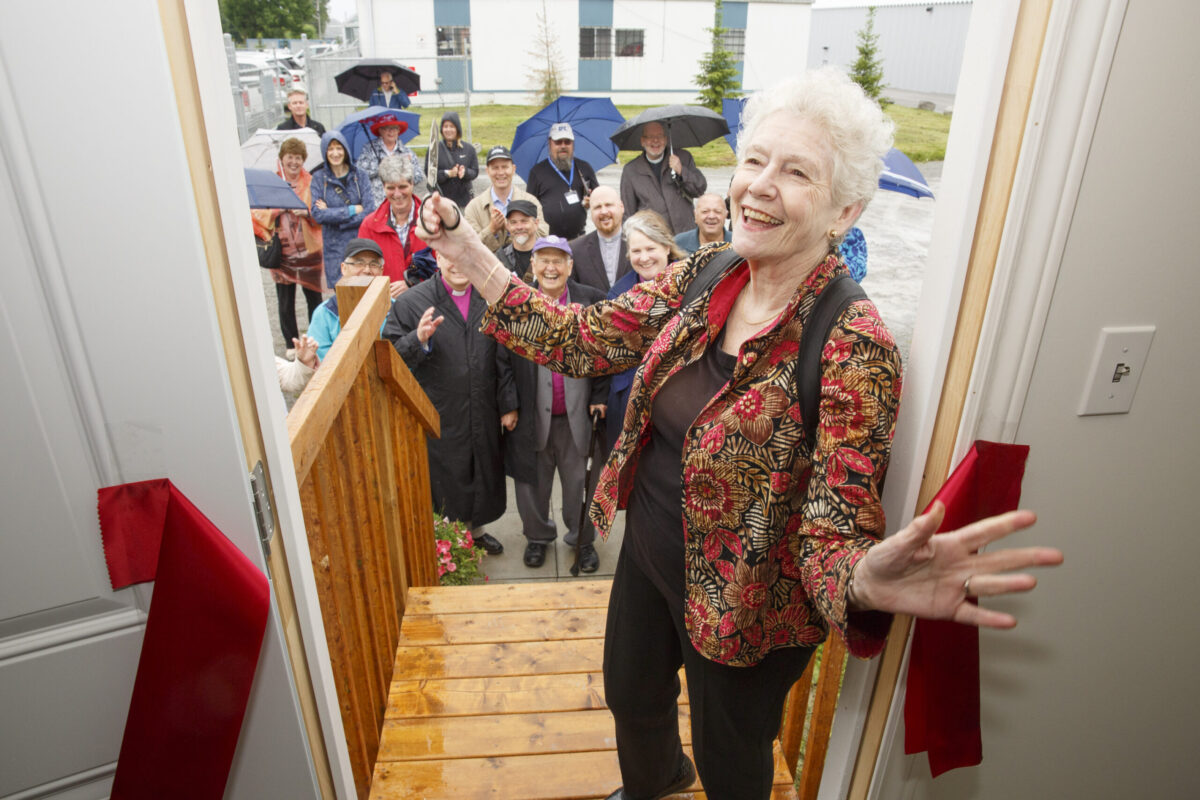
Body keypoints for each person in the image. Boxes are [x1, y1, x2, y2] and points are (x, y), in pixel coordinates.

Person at [411, 67, 1063, 800]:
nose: (758, 185)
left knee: (732, 761)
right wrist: (473, 255)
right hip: (651, 553)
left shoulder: (853, 342)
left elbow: (833, 522)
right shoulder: (708, 275)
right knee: (631, 699)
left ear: (845, 209)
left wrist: (862, 581)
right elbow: (584, 338)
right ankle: (655, 782)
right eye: (754, 160)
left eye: (795, 172)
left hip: (749, 607)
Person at [382, 250, 516, 557]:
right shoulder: (411, 302)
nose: (456, 264)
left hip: (484, 405)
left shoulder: (490, 296)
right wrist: (418, 340)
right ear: (438, 259)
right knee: (449, 476)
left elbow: (504, 354)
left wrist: (508, 403)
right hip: (440, 408)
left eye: (463, 256)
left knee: (481, 469)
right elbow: (390, 356)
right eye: (448, 257)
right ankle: (450, 541)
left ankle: (477, 532)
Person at [502, 236, 608, 573]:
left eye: (558, 260)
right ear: (532, 264)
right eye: (543, 260)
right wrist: (508, 404)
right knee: (531, 484)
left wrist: (600, 397)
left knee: (582, 485)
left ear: (570, 266)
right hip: (530, 416)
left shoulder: (592, 301)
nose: (551, 268)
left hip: (578, 416)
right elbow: (501, 360)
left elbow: (607, 356)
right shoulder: (516, 304)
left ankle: (582, 540)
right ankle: (537, 537)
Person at [603, 211, 685, 451]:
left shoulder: (691, 282)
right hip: (630, 396)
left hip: (678, 395)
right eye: (636, 251)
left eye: (651, 248)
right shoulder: (619, 295)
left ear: (667, 248)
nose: (644, 258)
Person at [252, 137, 323, 351]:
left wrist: (308, 213)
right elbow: (256, 214)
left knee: (315, 298)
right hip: (282, 253)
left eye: (298, 158)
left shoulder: (312, 182)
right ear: (281, 159)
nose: (294, 162)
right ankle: (291, 344)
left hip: (309, 251)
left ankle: (316, 340)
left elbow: (322, 212)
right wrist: (277, 209)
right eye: (290, 157)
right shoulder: (270, 183)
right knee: (285, 301)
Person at [310, 131, 375, 289]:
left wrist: (334, 217)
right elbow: (318, 214)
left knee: (365, 290)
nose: (335, 153)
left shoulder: (360, 176)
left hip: (359, 241)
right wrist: (352, 209)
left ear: (345, 150)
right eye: (330, 149)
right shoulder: (319, 179)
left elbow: (369, 210)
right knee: (342, 295)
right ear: (325, 152)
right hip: (334, 247)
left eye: (339, 148)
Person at [619, 121, 707, 236]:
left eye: (659, 136)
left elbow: (699, 189)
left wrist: (681, 171)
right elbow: (628, 214)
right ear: (642, 141)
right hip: (653, 238)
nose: (655, 141)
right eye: (650, 137)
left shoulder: (683, 157)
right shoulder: (631, 170)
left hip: (686, 234)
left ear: (666, 139)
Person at [357, 155, 426, 300]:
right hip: (386, 307)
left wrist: (412, 283)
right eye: (390, 188)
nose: (397, 194)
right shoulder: (369, 226)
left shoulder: (431, 222)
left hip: (424, 304)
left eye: (402, 187)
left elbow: (444, 270)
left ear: (412, 184)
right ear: (383, 187)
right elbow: (363, 272)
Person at [308, 238, 387, 361]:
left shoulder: (395, 308)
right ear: (343, 268)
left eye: (374, 264)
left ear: (381, 271)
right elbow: (321, 360)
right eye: (359, 263)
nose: (367, 270)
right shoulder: (325, 313)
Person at [464, 145, 548, 253]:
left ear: (513, 169)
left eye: (505, 167)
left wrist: (513, 228)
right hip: (488, 269)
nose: (500, 173)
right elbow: (470, 247)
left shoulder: (531, 202)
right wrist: (491, 230)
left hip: (525, 269)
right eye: (495, 168)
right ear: (488, 171)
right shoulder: (473, 207)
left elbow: (543, 237)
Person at [525, 122, 599, 240]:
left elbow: (600, 199)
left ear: (573, 144)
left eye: (567, 142)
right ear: (550, 143)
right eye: (558, 142)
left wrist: (592, 201)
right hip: (547, 240)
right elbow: (528, 208)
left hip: (578, 240)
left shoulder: (584, 168)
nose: (563, 146)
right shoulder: (537, 172)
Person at [568, 185, 631, 294]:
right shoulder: (575, 250)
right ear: (591, 213)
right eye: (597, 207)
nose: (604, 211)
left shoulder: (639, 245)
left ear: (621, 207)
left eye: (609, 205)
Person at [356, 112, 424, 208]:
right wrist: (383, 165)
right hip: (376, 204)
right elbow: (360, 173)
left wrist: (407, 167)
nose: (391, 131)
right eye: (386, 128)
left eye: (394, 128)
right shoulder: (369, 149)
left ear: (398, 130)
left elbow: (418, 177)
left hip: (401, 204)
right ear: (380, 131)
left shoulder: (407, 152)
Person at [426, 112, 478, 209]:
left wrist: (465, 172)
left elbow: (475, 171)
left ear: (457, 129)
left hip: (464, 203)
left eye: (452, 126)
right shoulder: (434, 149)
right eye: (445, 126)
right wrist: (447, 174)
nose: (448, 129)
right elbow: (429, 174)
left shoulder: (469, 149)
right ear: (441, 129)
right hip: (441, 202)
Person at [496, 199, 539, 280]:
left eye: (524, 221)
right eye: (513, 222)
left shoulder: (547, 254)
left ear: (536, 223)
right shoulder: (500, 258)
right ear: (508, 226)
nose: (519, 227)